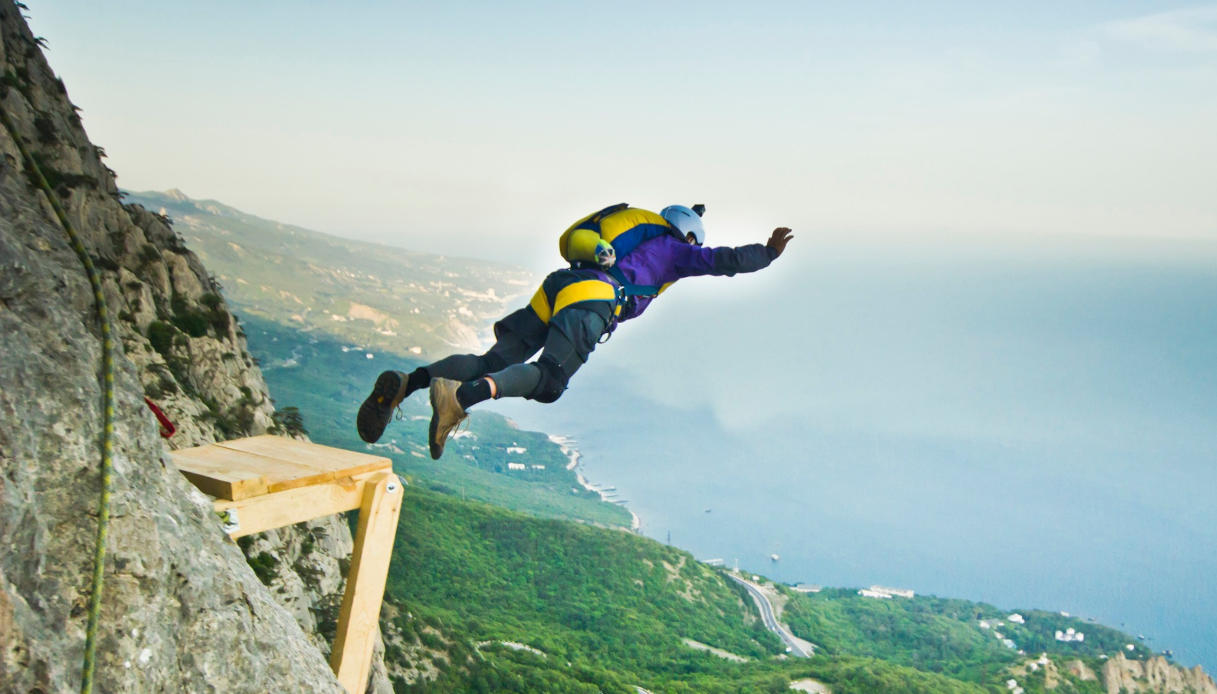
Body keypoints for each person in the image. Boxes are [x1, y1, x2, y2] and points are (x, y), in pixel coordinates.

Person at [356, 203, 793, 459]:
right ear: (690, 236)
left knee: (491, 360)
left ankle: (409, 382)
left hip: (559, 285)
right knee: (549, 380)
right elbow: (722, 261)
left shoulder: (633, 235)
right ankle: (460, 399)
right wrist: (768, 252)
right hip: (593, 298)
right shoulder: (675, 249)